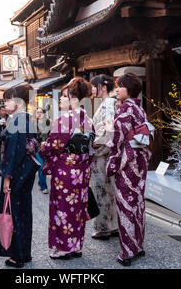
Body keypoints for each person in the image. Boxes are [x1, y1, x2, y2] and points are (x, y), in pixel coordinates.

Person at [39, 78, 95, 260]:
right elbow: (91, 147)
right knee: (78, 207)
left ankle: (64, 248)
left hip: (65, 170)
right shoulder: (88, 118)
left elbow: (53, 145)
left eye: (63, 96)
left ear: (72, 97)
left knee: (63, 207)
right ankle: (76, 246)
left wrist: (42, 146)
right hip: (82, 170)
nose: (61, 100)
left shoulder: (64, 119)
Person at [106, 73, 152, 267]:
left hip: (127, 162)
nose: (117, 89)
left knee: (125, 204)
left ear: (129, 88)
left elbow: (117, 138)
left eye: (120, 86)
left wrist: (110, 132)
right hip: (140, 161)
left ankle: (128, 251)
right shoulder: (139, 108)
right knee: (138, 204)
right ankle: (138, 245)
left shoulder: (125, 108)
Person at [0, 83, 40, 268]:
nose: (5, 104)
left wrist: (7, 176)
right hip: (26, 171)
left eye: (8, 100)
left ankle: (17, 255)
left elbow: (13, 152)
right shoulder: (27, 119)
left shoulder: (17, 120)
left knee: (14, 212)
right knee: (24, 211)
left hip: (16, 173)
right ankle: (25, 252)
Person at [90, 74, 119, 240]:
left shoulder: (108, 103)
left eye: (94, 86)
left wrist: (96, 144)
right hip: (107, 151)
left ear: (102, 86)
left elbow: (109, 128)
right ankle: (113, 225)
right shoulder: (109, 103)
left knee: (101, 189)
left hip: (102, 152)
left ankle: (103, 228)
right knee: (109, 189)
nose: (92, 89)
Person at [35, 107, 50, 194]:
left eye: (41, 112)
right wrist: (40, 141)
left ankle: (40, 183)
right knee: (41, 166)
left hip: (46, 148)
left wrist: (47, 141)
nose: (39, 114)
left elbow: (51, 134)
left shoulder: (48, 123)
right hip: (37, 149)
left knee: (44, 167)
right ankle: (44, 187)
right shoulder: (33, 124)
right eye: (38, 112)